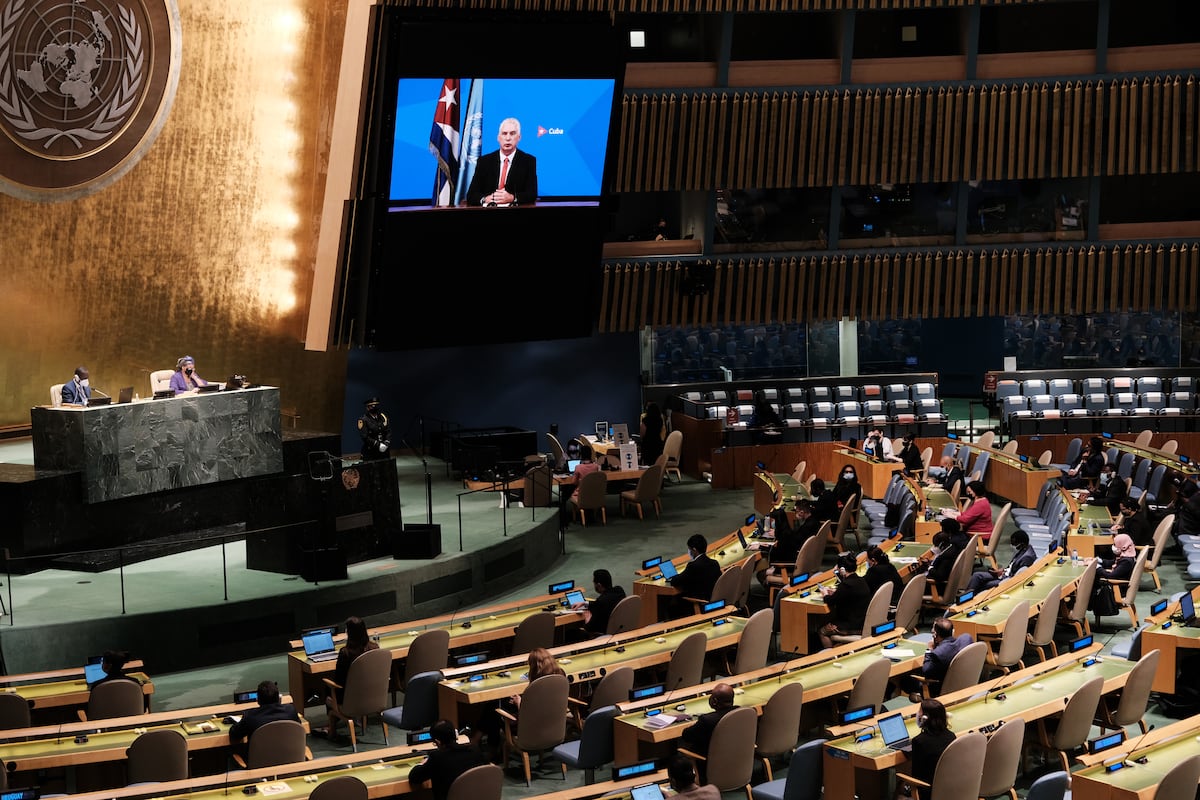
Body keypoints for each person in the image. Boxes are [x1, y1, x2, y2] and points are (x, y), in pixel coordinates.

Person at [477, 647, 565, 758]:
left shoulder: (536, 687)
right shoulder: (560, 676)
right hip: (554, 727)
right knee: (495, 706)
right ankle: (480, 741)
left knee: (493, 709)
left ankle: (488, 749)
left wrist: (519, 702)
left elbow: (529, 716)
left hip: (531, 730)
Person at [316, 616, 378, 735]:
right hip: (372, 697)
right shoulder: (375, 648)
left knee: (329, 687)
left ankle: (332, 727)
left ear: (348, 633)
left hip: (350, 700)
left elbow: (339, 680)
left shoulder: (345, 653)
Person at [465, 118, 538, 207]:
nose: (508, 138)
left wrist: (512, 198)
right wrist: (485, 199)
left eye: (512, 133)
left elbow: (532, 194)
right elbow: (471, 195)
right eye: (504, 134)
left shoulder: (528, 161)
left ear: (519, 137)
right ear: (498, 138)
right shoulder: (484, 161)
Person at [408, 719, 487, 800]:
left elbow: (414, 778)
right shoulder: (475, 751)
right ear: (455, 735)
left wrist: (422, 764)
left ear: (438, 742)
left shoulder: (437, 758)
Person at [899, 618, 972, 699]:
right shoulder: (966, 638)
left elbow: (926, 671)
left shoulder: (937, 654)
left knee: (904, 680)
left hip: (939, 687)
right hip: (962, 681)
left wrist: (929, 649)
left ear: (935, 635)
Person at [228, 680, 301, 760]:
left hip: (259, 764)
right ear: (278, 698)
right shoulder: (291, 711)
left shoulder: (250, 716)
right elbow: (299, 728)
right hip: (289, 760)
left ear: (258, 700)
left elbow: (234, 734)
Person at [898, 699, 956, 800]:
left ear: (924, 718)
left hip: (928, 792)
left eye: (919, 711)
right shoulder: (952, 736)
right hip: (950, 788)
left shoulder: (919, 741)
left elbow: (916, 776)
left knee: (899, 788)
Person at [818, 553, 871, 649]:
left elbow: (830, 601)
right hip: (862, 623)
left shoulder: (845, 585)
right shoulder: (861, 580)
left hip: (849, 627)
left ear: (842, 569)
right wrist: (836, 591)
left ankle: (829, 657)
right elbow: (847, 595)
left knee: (822, 631)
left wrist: (824, 593)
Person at [965, 529, 1037, 594]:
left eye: (1014, 544)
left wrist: (1003, 574)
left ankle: (972, 599)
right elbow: (1012, 566)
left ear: (1021, 544)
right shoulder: (1023, 548)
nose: (1012, 545)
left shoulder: (1027, 558)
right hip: (1004, 574)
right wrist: (1003, 570)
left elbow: (1017, 577)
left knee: (986, 584)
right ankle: (966, 596)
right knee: (977, 575)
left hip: (1007, 579)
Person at [680, 683, 736, 760]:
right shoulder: (743, 712)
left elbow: (686, 736)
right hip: (737, 759)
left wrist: (696, 725)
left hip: (709, 762)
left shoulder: (707, 720)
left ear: (715, 701)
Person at [668, 534, 721, 611]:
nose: (688, 552)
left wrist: (674, 576)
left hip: (698, 602)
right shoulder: (714, 563)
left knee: (672, 601)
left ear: (694, 550)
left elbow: (675, 582)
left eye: (689, 549)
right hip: (713, 600)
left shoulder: (693, 566)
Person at [573, 568, 626, 637]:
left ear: (598, 585)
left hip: (603, 635)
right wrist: (586, 603)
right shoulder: (619, 591)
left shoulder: (601, 602)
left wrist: (587, 619)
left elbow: (590, 628)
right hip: (620, 629)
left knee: (571, 633)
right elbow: (603, 602)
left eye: (594, 583)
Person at [926, 519, 970, 594]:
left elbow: (939, 576)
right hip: (955, 580)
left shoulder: (950, 551)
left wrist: (930, 567)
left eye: (942, 530)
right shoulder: (964, 538)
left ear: (949, 532)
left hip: (939, 587)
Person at [639, 401, 666, 466]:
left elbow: (642, 433)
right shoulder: (660, 420)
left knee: (647, 463)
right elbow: (662, 431)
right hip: (657, 444)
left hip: (647, 445)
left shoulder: (645, 420)